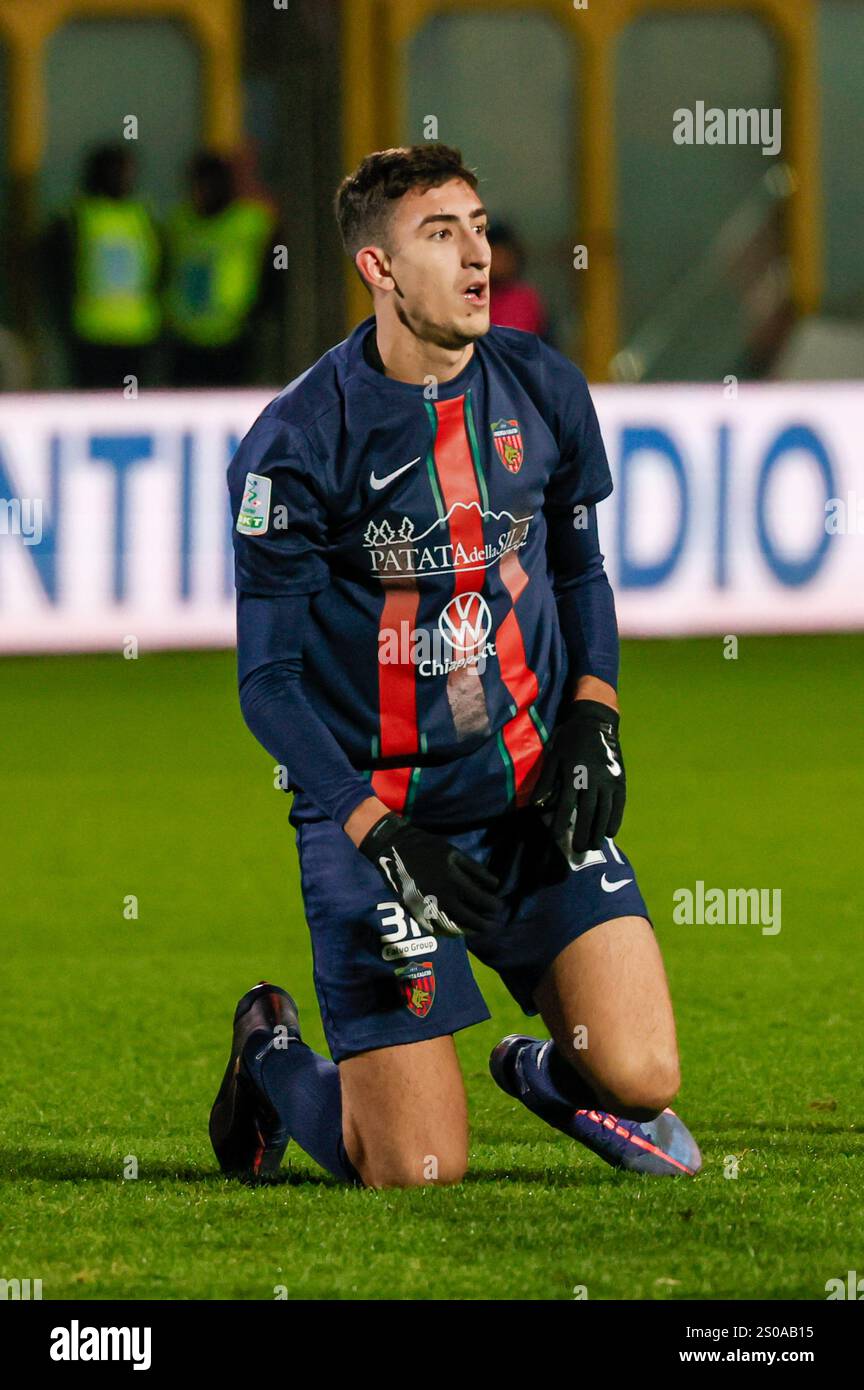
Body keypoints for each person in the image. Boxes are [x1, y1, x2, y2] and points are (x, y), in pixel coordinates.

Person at [212, 143, 701, 1189]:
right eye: (443, 234)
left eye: (479, 226)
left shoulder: (543, 387)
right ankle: (269, 1055)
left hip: (525, 796)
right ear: (377, 270)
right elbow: (269, 683)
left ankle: (547, 1070)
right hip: (381, 821)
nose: (479, 255)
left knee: (645, 1072)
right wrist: (376, 831)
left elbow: (582, 573)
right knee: (416, 1166)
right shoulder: (297, 442)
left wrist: (594, 718)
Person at [41, 143, 161, 389]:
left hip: (138, 333)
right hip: (90, 334)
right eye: (116, 171)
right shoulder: (75, 217)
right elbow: (55, 276)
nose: (124, 178)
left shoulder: (144, 215)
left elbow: (162, 268)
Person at [163, 152, 278, 387]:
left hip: (233, 336)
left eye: (208, 185)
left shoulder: (250, 222)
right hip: (186, 337)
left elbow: (275, 267)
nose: (201, 192)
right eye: (196, 185)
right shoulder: (179, 222)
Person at [487, 220, 551, 340]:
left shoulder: (525, 300)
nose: (498, 263)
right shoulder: (471, 298)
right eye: (494, 255)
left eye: (503, 256)